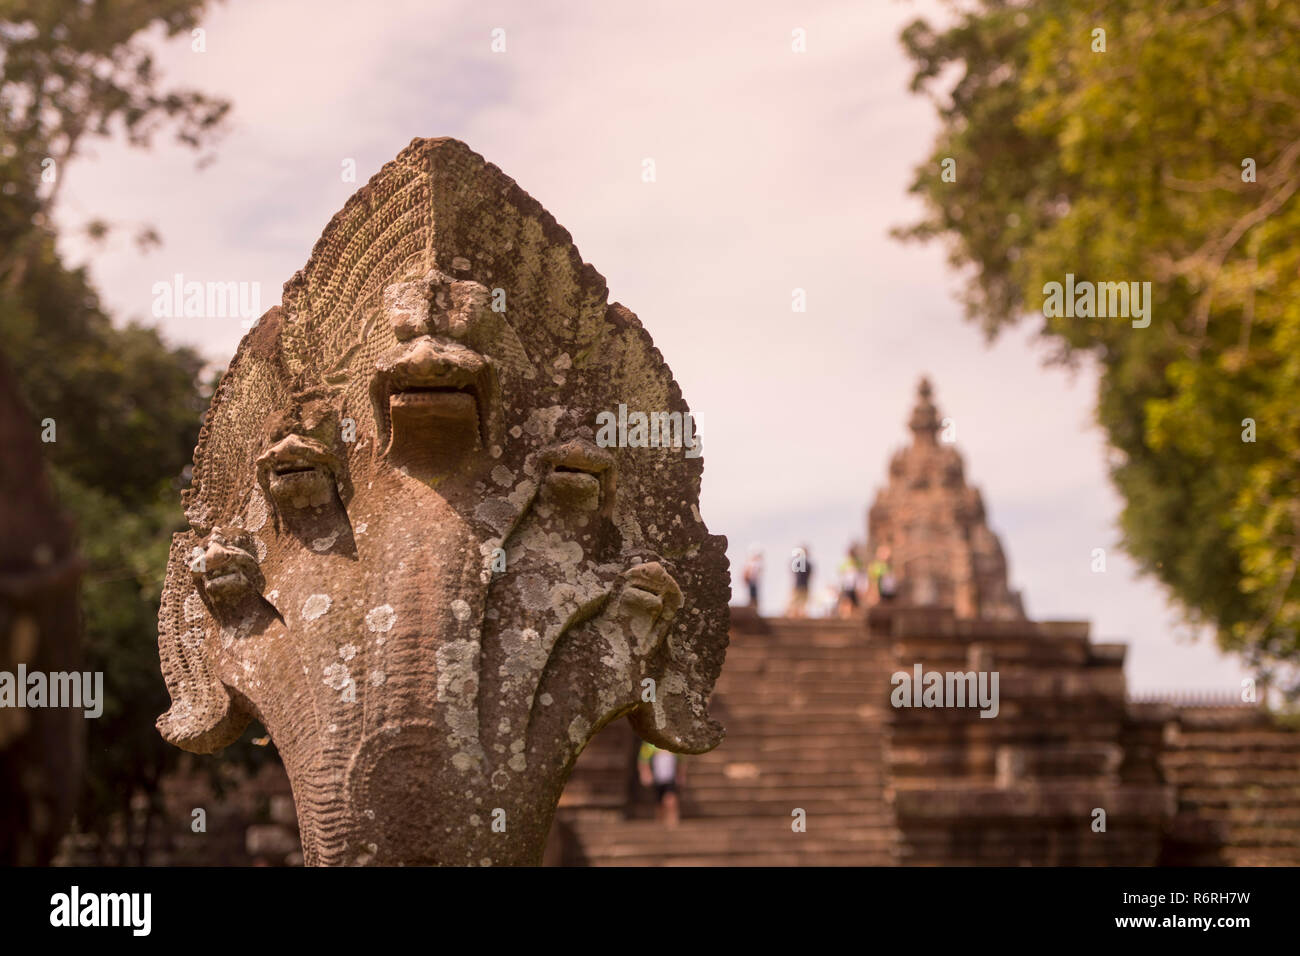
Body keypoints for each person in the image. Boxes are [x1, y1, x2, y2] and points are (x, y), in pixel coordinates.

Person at [638, 741, 684, 827]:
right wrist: (645, 773)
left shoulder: (675, 743)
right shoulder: (650, 744)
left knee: (670, 798)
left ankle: (672, 820)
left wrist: (680, 775)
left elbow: (681, 761)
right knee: (659, 802)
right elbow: (643, 760)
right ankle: (660, 822)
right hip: (658, 777)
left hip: (670, 777)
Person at [787, 545, 812, 618]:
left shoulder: (799, 563)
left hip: (800, 586)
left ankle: (797, 616)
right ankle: (796, 615)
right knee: (799, 603)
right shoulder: (807, 564)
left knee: (799, 604)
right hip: (802, 586)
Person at [836, 549, 862, 618]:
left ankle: (851, 616)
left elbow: (859, 577)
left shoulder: (858, 564)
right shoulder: (845, 564)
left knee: (855, 603)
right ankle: (845, 615)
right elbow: (841, 577)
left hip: (854, 587)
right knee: (846, 601)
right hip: (847, 587)